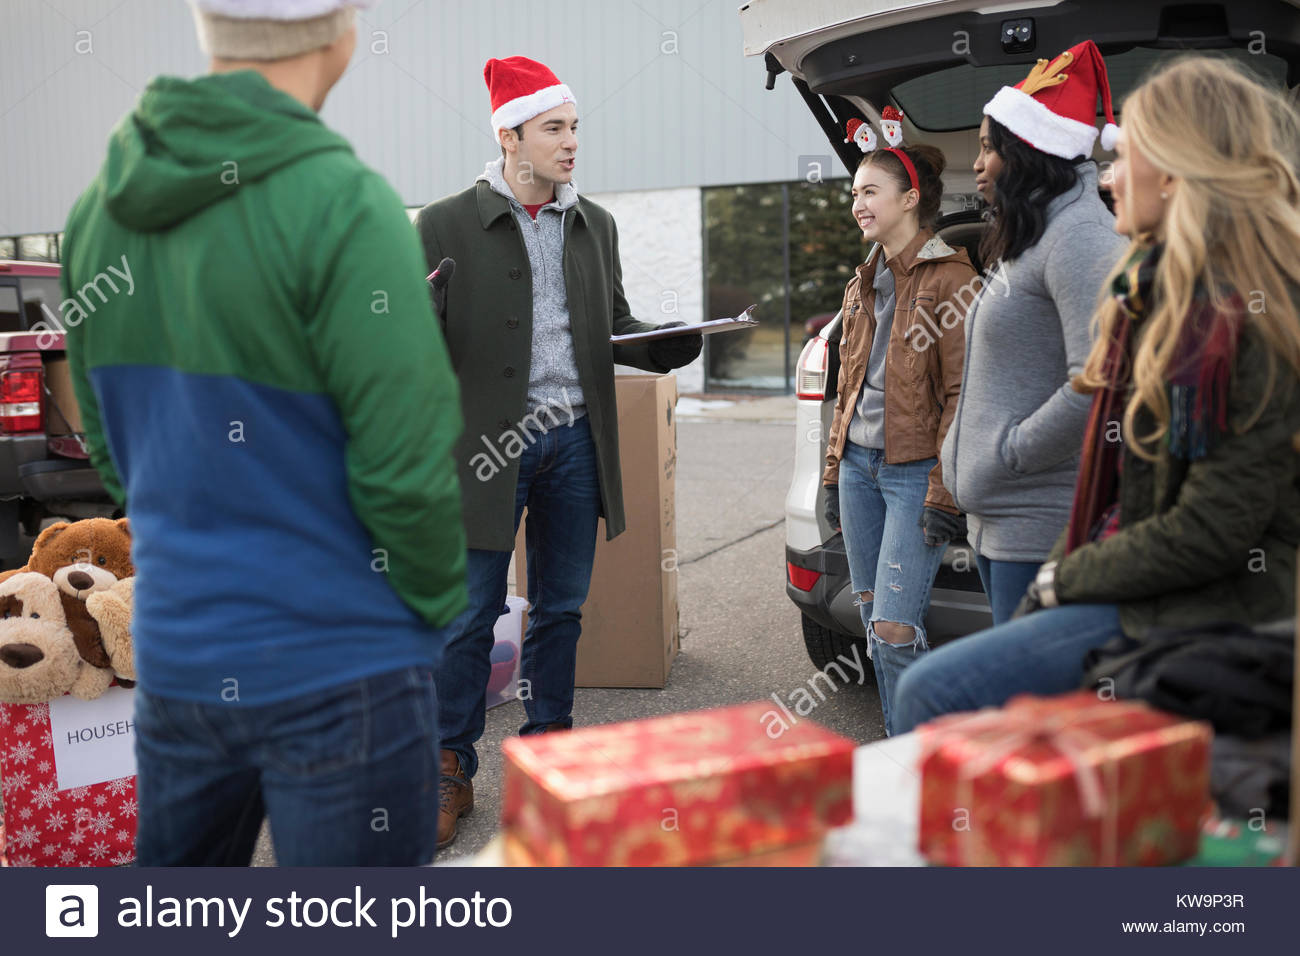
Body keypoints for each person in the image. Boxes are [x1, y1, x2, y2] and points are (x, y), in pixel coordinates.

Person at [61, 0, 467, 865]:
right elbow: (407, 460)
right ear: (340, 30)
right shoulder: (345, 204)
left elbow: (111, 448)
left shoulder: (100, 212)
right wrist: (427, 613)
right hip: (342, 655)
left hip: (177, 650)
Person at [894, 54, 1300, 734]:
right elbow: (1133, 492)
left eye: (1124, 154)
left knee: (933, 695)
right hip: (1125, 568)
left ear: (1173, 173)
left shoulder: (1232, 323)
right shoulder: (1158, 293)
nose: (1108, 175)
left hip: (1206, 602)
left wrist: (1059, 570)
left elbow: (1209, 530)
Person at [414, 55, 703, 849]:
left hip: (573, 438)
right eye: (555, 128)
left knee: (562, 607)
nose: (572, 142)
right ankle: (449, 767)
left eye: (575, 127)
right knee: (468, 615)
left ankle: (552, 756)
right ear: (510, 136)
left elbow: (609, 324)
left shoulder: (594, 224)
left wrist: (662, 345)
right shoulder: (443, 223)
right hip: (481, 451)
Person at [942, 40, 1128, 625]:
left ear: (1027, 153)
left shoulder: (1080, 238)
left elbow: (1099, 378)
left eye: (987, 149)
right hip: (999, 520)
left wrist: (1011, 454)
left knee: (1033, 708)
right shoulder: (1036, 234)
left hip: (1040, 522)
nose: (976, 164)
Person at [821, 127, 976, 736]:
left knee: (893, 627)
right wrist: (834, 472)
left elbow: (964, 397)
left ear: (910, 198)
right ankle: (904, 750)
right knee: (870, 618)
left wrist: (943, 491)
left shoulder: (951, 279)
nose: (858, 203)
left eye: (871, 191)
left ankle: (920, 757)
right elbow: (847, 391)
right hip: (859, 468)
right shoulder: (863, 280)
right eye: (854, 192)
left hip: (914, 474)